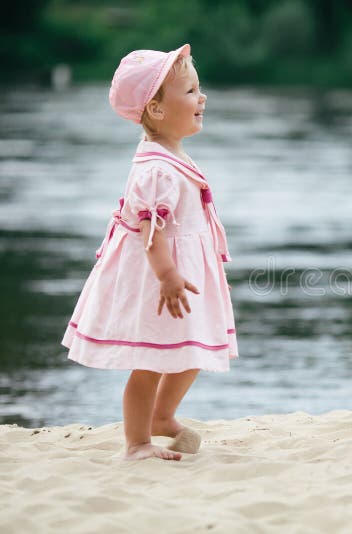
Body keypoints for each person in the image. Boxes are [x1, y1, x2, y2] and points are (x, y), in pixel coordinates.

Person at [61, 44, 237, 461]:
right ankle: (137, 441)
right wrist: (167, 275)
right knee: (150, 359)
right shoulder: (155, 169)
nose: (203, 97)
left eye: (199, 89)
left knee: (193, 346)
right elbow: (151, 231)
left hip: (182, 269)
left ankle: (163, 415)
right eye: (191, 91)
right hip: (159, 275)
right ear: (156, 110)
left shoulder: (172, 154)